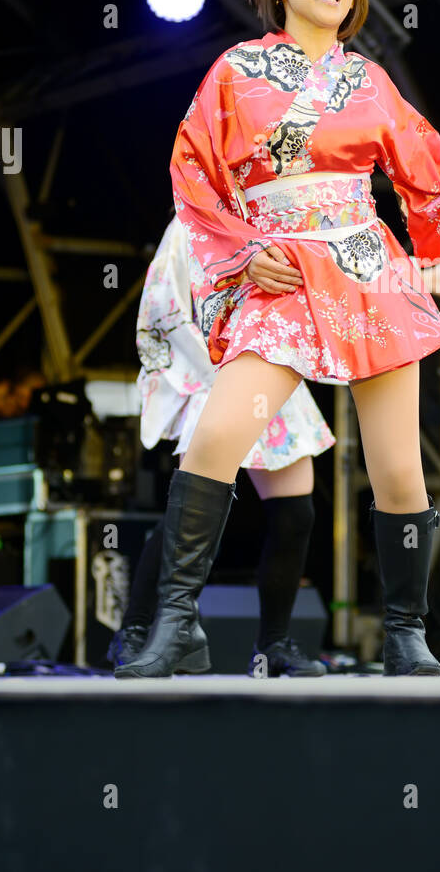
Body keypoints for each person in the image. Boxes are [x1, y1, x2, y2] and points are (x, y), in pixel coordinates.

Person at [116, 0, 440, 680]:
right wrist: (246, 254)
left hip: (363, 267)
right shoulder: (235, 71)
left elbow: (433, 176)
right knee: (219, 437)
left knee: (397, 469)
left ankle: (405, 631)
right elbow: (193, 174)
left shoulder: (370, 81)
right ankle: (175, 624)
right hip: (279, 273)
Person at [110, 210, 334, 676]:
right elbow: (165, 305)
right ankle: (134, 630)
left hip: (273, 363)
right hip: (213, 371)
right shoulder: (194, 216)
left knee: (295, 513)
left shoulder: (284, 206)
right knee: (188, 510)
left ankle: (274, 642)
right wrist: (206, 368)